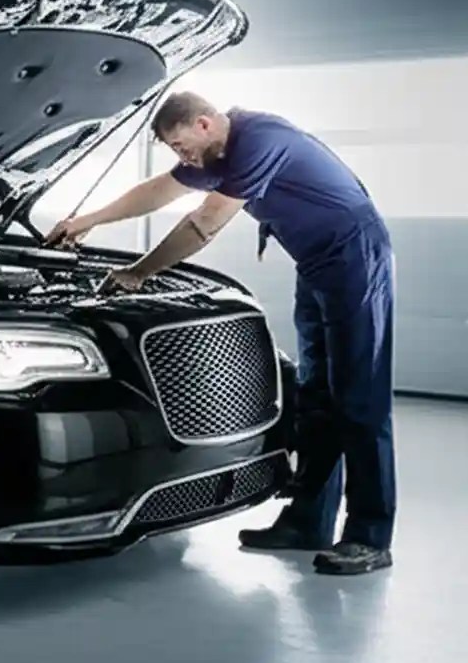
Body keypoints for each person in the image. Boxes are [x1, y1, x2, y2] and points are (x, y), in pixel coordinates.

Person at [45, 91, 396, 575]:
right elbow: (159, 190)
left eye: (181, 146)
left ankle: (370, 537)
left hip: (357, 256)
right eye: (175, 150)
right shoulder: (215, 153)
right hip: (316, 265)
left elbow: (205, 222)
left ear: (205, 124)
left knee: (359, 398)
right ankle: (308, 523)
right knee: (316, 396)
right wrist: (86, 221)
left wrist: (138, 272)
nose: (182, 157)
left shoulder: (258, 139)